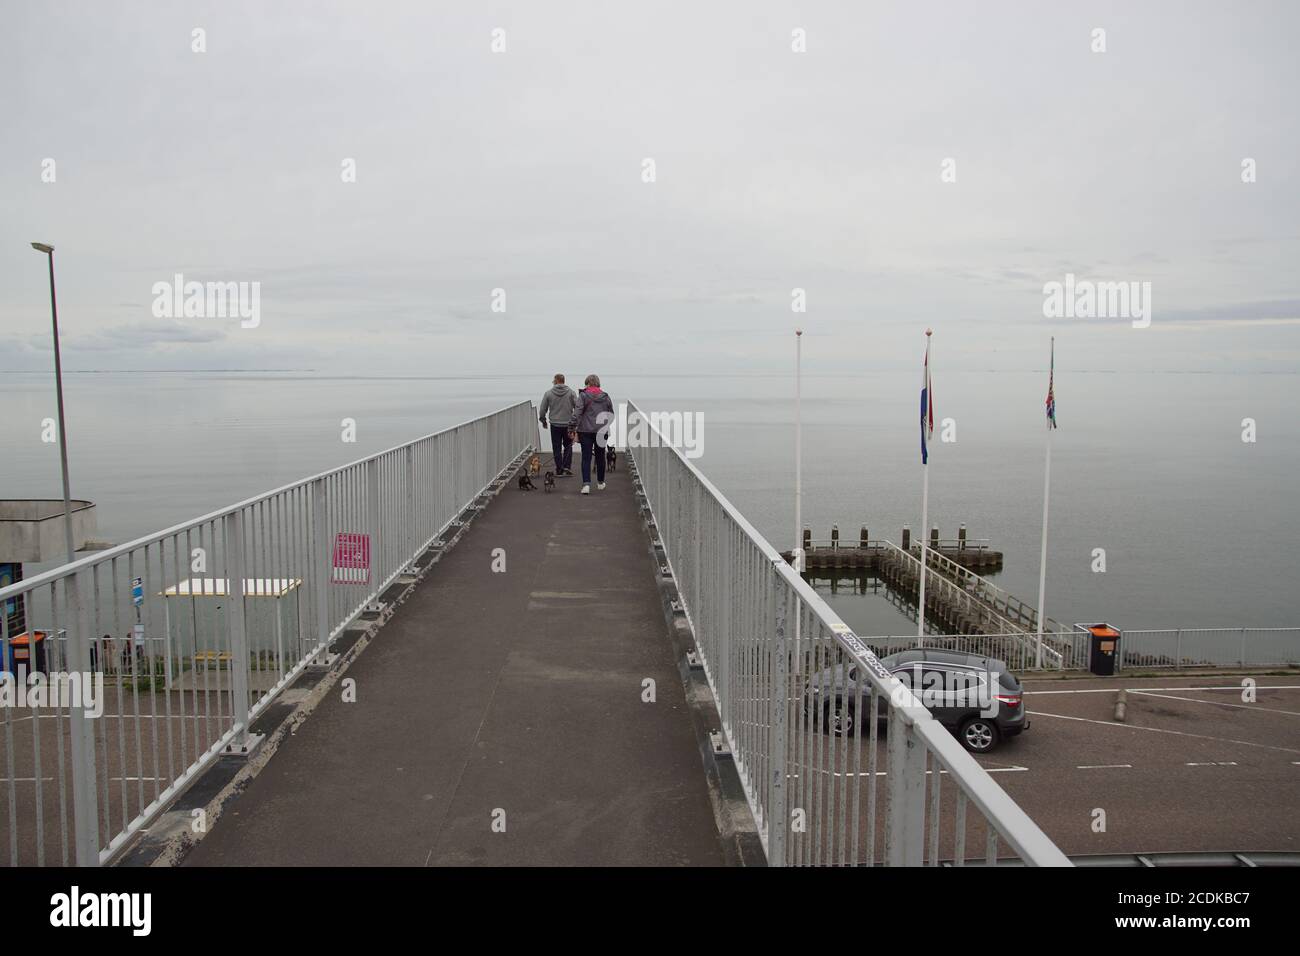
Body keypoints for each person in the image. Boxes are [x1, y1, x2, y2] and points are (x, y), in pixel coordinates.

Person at [568, 374, 614, 494]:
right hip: (601, 431)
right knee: (600, 457)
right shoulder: (606, 397)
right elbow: (611, 414)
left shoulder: (583, 396)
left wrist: (571, 427)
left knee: (586, 457)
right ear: (598, 384)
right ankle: (600, 482)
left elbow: (577, 413)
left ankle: (586, 485)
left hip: (585, 431)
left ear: (588, 384)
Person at [538, 373, 577, 476]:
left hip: (555, 425)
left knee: (556, 447)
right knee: (568, 446)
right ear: (564, 381)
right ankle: (567, 467)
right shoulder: (571, 393)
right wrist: (575, 422)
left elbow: (542, 410)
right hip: (568, 425)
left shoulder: (548, 393)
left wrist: (543, 421)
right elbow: (577, 408)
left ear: (555, 381)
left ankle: (559, 469)